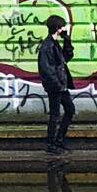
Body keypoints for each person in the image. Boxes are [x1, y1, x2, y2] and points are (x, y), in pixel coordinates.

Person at [37, 14, 74, 156]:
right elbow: (46, 69)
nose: (65, 28)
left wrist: (67, 41)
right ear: (58, 28)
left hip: (61, 86)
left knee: (70, 110)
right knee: (55, 115)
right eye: (63, 26)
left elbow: (67, 58)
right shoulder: (47, 47)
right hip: (55, 87)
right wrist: (58, 85)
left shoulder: (55, 44)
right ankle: (51, 144)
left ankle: (59, 139)